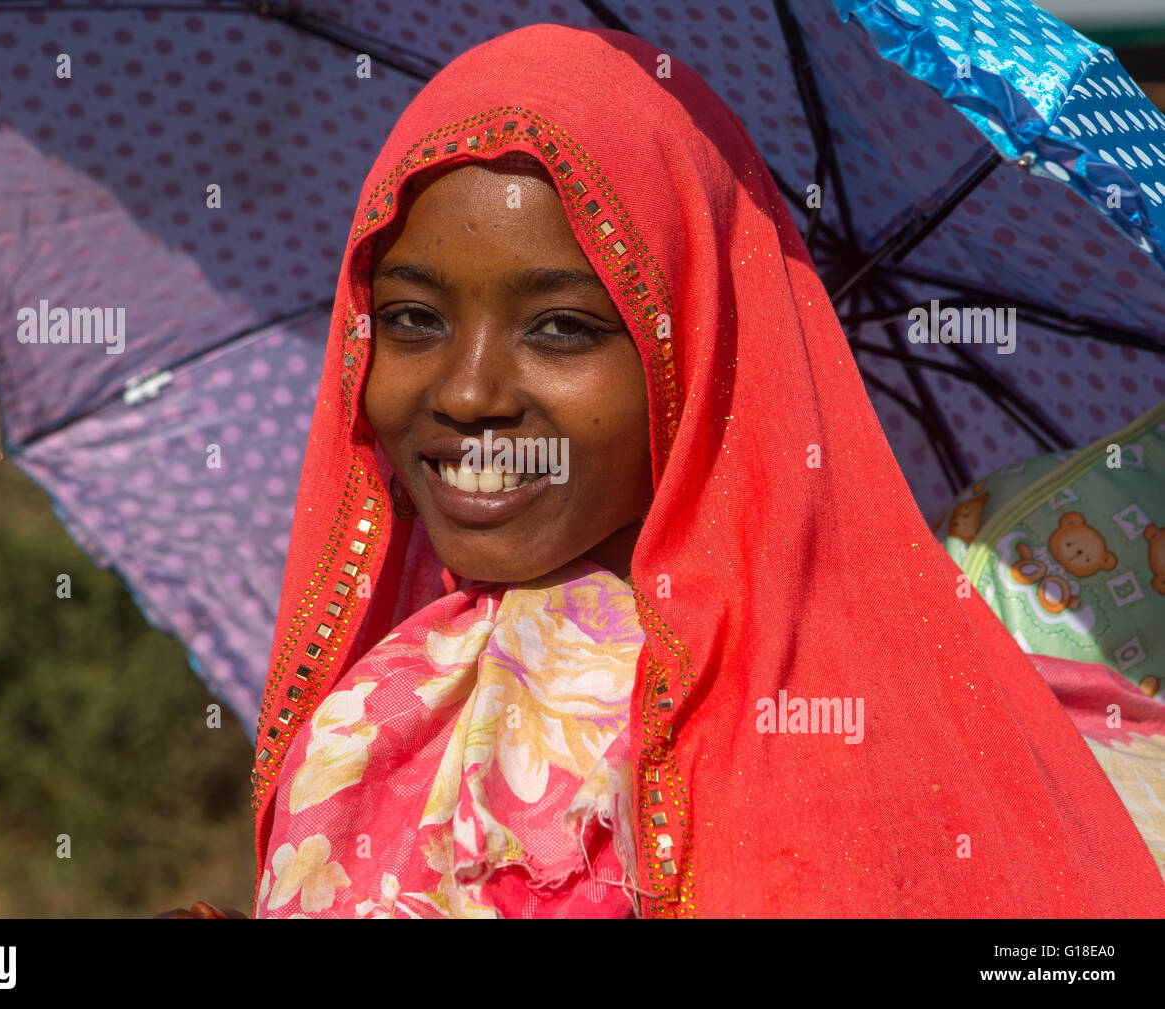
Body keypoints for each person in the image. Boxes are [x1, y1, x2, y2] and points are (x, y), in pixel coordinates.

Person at [181, 23, 1165, 918]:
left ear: (694, 351)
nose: (468, 392)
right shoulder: (983, 717)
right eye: (412, 320)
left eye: (561, 327)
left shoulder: (913, 729)